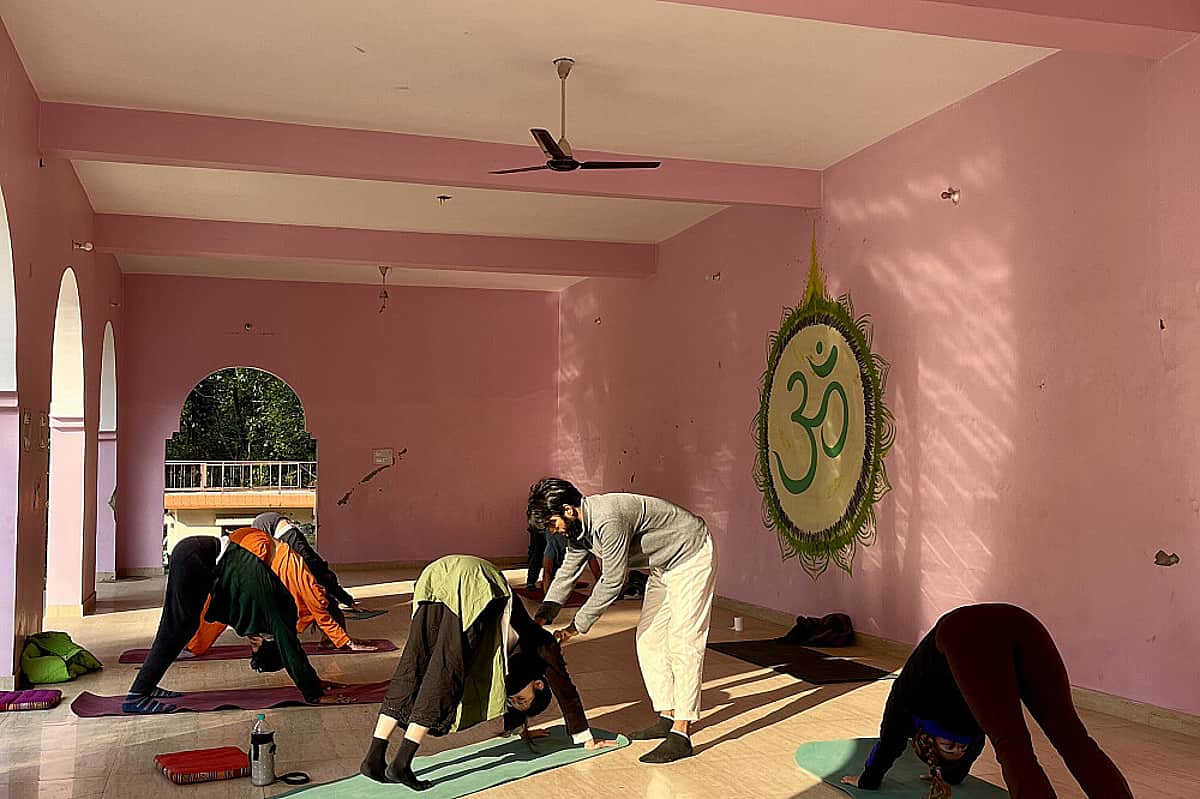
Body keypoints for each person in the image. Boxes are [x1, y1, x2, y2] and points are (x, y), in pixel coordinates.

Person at [359, 555, 615, 789]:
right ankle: (401, 763)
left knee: (413, 668)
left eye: (514, 702)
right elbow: (565, 689)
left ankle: (373, 758)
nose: (514, 698)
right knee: (444, 676)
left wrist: (520, 730)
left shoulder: (508, 672)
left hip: (439, 574)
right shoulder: (542, 645)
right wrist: (584, 737)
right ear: (538, 684)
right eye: (523, 699)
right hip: (477, 584)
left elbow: (514, 695)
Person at [841, 603, 1134, 799]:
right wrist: (948, 776)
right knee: (1069, 741)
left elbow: (888, 744)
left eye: (949, 747)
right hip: (1021, 622)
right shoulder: (972, 728)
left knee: (1021, 744)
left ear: (925, 739)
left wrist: (868, 780)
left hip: (968, 632)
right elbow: (961, 758)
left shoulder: (906, 701)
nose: (958, 748)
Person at [527, 478, 717, 764]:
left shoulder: (608, 519)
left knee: (683, 641)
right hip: (663, 565)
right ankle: (667, 714)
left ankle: (682, 732)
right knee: (649, 639)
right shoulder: (579, 529)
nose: (551, 531)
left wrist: (576, 627)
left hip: (690, 554)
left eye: (551, 524)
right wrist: (542, 617)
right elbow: (567, 572)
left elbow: (614, 580)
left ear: (567, 510)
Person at [123, 532, 342, 714]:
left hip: (197, 555)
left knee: (183, 628)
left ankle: (147, 687)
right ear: (268, 641)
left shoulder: (278, 614)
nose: (252, 641)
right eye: (255, 646)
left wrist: (315, 679)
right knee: (175, 630)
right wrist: (314, 693)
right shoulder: (277, 616)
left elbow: (290, 647)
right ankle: (137, 695)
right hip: (197, 556)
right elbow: (291, 650)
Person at [540, 525, 601, 596]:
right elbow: (547, 571)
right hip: (557, 540)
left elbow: (596, 569)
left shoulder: (581, 543)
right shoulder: (553, 544)